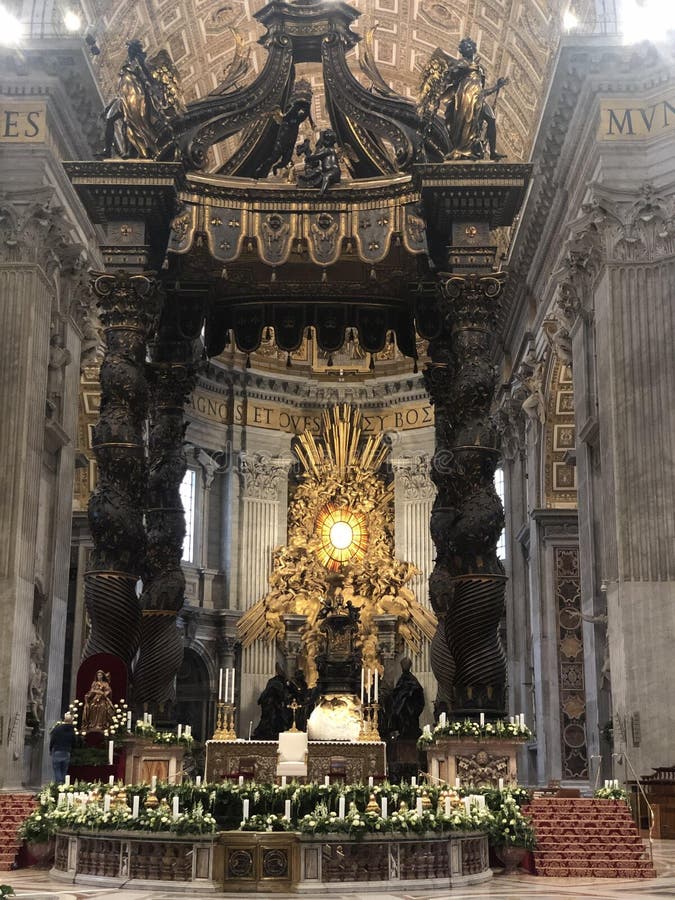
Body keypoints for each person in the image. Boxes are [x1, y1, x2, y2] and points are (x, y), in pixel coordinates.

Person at [443, 38, 507, 160]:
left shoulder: (480, 68)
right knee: (465, 121)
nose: (468, 48)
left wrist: (497, 87)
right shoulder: (461, 63)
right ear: (462, 51)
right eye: (465, 46)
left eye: (469, 46)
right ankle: (461, 148)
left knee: (491, 119)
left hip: (478, 97)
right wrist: (467, 67)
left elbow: (481, 90)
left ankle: (493, 152)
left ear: (473, 48)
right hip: (465, 96)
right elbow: (450, 75)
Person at [388, 657, 426, 739]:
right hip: (402, 709)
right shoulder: (402, 678)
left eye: (406, 665)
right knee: (400, 716)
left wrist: (408, 694)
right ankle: (402, 730)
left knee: (409, 720)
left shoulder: (412, 679)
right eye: (403, 665)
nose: (404, 667)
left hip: (410, 708)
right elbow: (396, 692)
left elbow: (418, 692)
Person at [49, 713, 77, 784]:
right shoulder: (72, 730)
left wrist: (50, 749)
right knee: (64, 770)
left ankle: (59, 783)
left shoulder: (58, 729)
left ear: (64, 720)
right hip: (67, 751)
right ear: (71, 721)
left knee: (57, 769)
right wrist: (72, 750)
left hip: (57, 750)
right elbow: (74, 741)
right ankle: (63, 784)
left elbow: (53, 739)